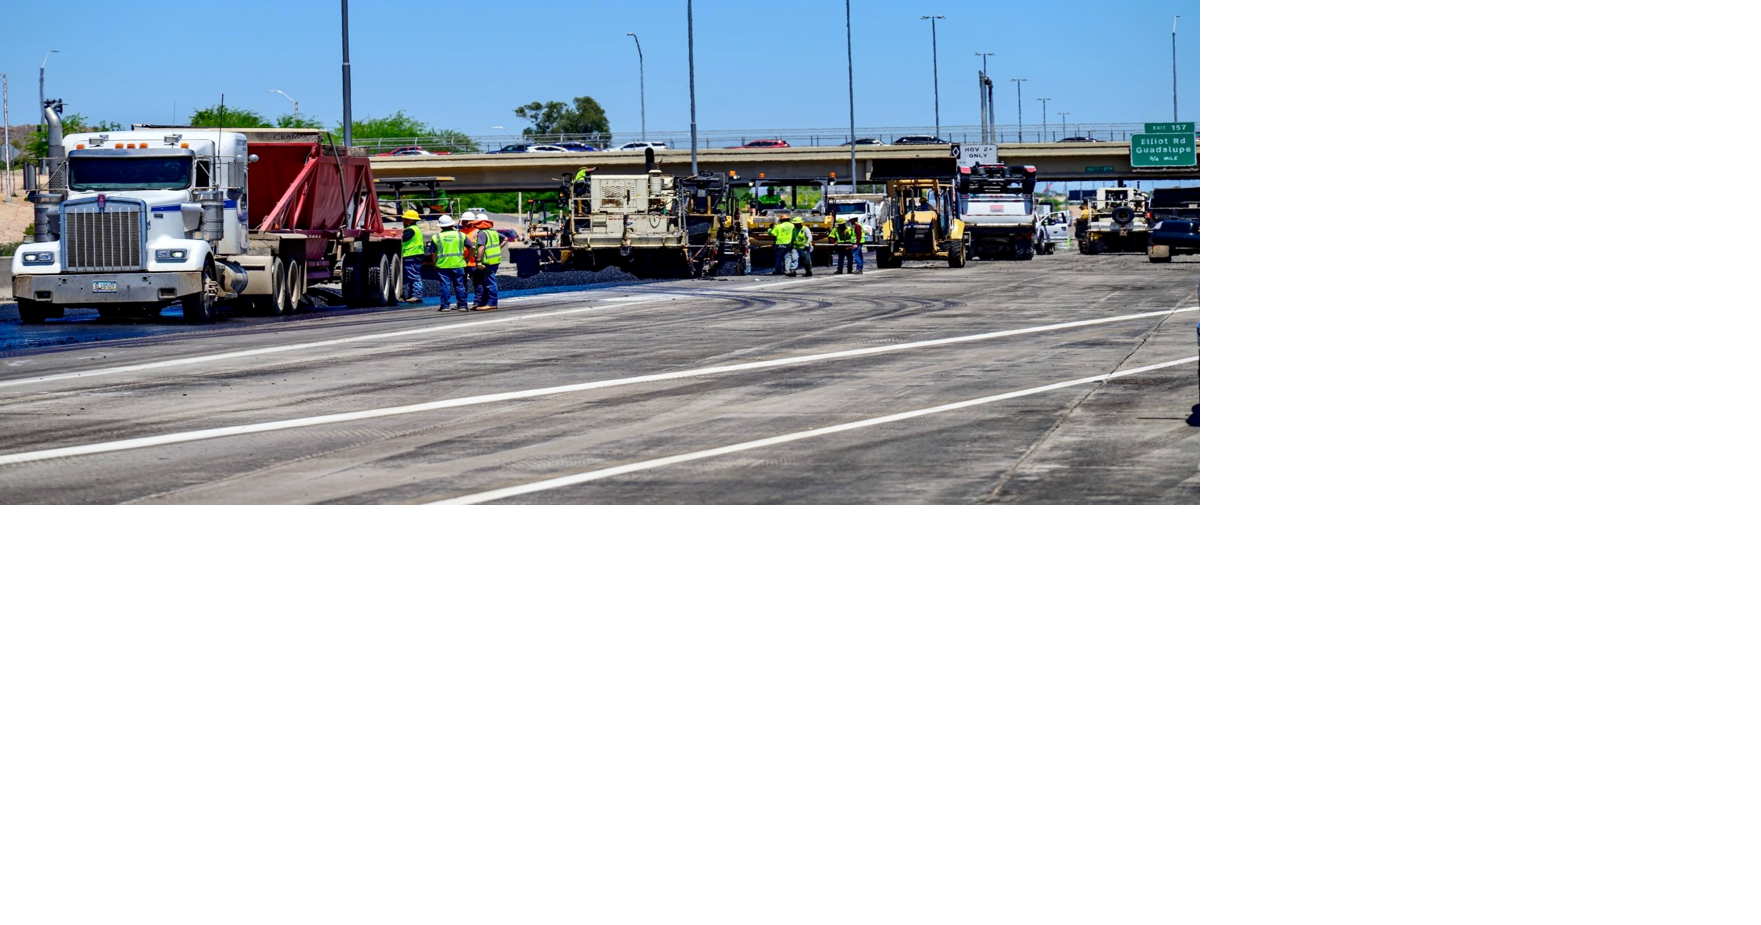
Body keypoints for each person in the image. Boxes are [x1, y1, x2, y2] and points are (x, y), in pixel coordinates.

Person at [470, 220, 518, 311]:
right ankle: (484, 303)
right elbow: (505, 239)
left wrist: (478, 260)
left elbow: (481, 247)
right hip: (495, 260)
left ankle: (492, 303)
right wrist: (498, 248)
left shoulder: (482, 233)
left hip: (487, 261)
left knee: (489, 282)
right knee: (486, 282)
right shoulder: (493, 232)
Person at [427, 214, 469, 312]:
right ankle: (462, 305)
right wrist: (467, 258)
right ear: (451, 225)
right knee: (459, 285)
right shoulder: (461, 235)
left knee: (445, 285)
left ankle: (445, 306)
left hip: (443, 265)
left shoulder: (436, 237)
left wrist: (434, 264)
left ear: (441, 226)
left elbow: (432, 252)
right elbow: (472, 247)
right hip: (458, 264)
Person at [399, 210, 426, 303]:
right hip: (415, 255)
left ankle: (417, 295)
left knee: (413, 276)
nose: (403, 220)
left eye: (405, 219)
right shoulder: (415, 229)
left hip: (411, 255)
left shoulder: (411, 230)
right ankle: (412, 295)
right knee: (411, 276)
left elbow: (402, 238)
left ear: (410, 220)